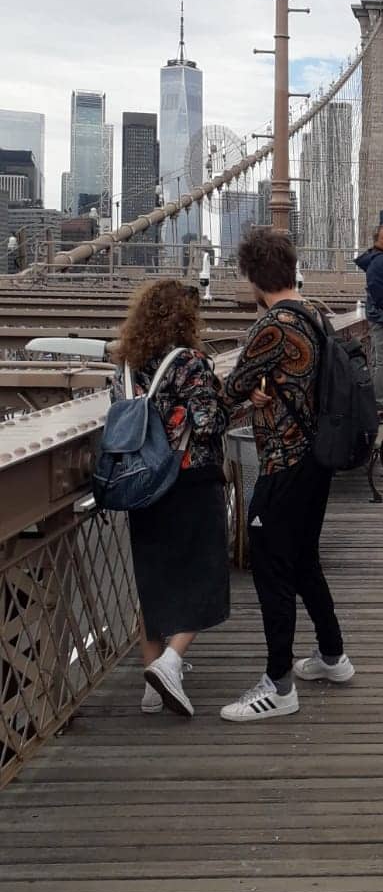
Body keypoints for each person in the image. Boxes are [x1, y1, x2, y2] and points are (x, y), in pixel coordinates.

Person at [221, 227, 355, 723]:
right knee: (302, 560)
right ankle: (332, 655)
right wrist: (268, 389)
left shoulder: (271, 325)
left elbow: (231, 387)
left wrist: (250, 391)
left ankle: (279, 684)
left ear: (253, 278)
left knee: (271, 565)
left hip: (283, 463)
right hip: (317, 460)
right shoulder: (316, 313)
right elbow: (298, 381)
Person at [110, 279, 229, 718]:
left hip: (141, 483)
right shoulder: (191, 362)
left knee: (154, 579)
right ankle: (172, 661)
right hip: (190, 480)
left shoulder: (125, 363)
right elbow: (208, 423)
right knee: (205, 573)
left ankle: (150, 681)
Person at [354, 222, 383, 408]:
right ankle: (380, 402)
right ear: (376, 241)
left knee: (379, 359)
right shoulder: (381, 260)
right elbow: (376, 288)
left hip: (381, 316)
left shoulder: (381, 257)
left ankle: (375, 401)